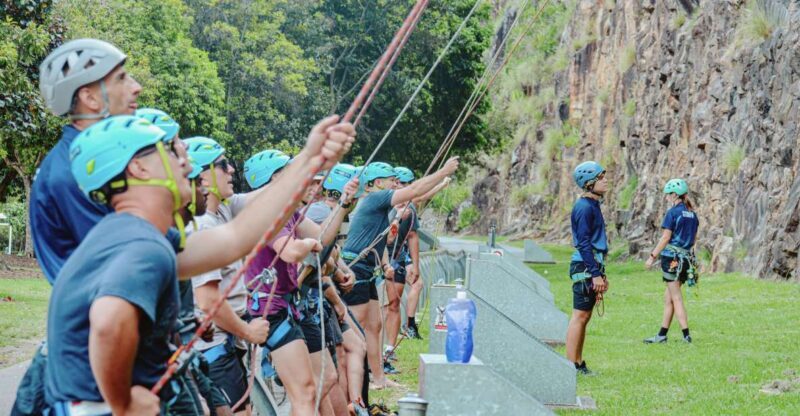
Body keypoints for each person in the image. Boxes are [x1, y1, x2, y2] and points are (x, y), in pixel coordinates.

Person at [46, 114, 353, 416]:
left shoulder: (149, 235)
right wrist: (123, 402)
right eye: (172, 151)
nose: (188, 162)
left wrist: (311, 158)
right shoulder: (138, 243)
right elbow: (107, 323)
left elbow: (236, 237)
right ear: (138, 168)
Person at [242, 149, 356, 416]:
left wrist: (344, 205)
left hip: (286, 307)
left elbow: (324, 236)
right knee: (306, 391)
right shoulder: (270, 212)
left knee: (317, 385)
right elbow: (291, 251)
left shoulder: (289, 212)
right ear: (274, 179)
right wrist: (310, 245)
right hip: (269, 311)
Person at [341, 158, 459, 390]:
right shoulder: (375, 198)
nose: (396, 185)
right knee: (356, 331)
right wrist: (443, 171)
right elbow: (414, 191)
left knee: (374, 327)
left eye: (397, 181)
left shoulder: (382, 206)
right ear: (375, 183)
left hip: (368, 269)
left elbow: (380, 240)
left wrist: (385, 265)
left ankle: (379, 378)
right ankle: (352, 386)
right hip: (356, 271)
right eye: (391, 181)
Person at [184, 136, 271, 414]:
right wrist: (247, 331)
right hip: (215, 347)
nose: (232, 169)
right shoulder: (204, 227)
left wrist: (306, 166)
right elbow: (208, 302)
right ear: (204, 177)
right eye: (223, 165)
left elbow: (267, 195)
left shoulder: (223, 210)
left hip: (226, 344)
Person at [565, 161, 609, 376]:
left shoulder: (593, 205)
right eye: (601, 178)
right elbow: (583, 243)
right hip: (585, 265)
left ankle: (578, 363)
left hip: (592, 264)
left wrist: (600, 272)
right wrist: (594, 274)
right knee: (579, 316)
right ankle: (570, 366)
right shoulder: (583, 207)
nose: (606, 181)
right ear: (589, 182)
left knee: (585, 317)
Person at [644, 179, 700, 344]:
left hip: (672, 260)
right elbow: (693, 239)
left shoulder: (673, 213)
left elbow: (666, 237)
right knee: (668, 298)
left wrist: (652, 256)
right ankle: (661, 335)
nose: (667, 197)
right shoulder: (693, 215)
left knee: (676, 298)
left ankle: (686, 335)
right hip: (686, 260)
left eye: (668, 194)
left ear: (675, 194)